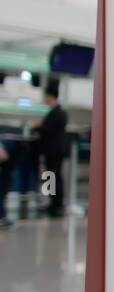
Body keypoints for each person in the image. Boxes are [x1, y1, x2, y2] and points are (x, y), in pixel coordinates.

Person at [34, 86, 68, 218]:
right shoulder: (60, 111)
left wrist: (38, 127)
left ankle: (55, 204)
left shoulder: (55, 112)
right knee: (54, 176)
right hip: (57, 150)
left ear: (50, 96)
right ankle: (55, 203)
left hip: (53, 150)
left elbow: (47, 130)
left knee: (53, 176)